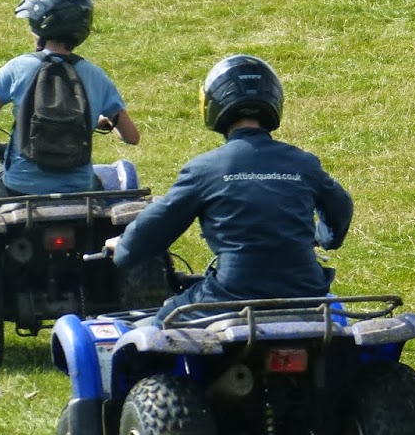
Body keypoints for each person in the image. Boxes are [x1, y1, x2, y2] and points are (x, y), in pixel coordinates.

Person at [111, 54, 353, 321]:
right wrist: (324, 236)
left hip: (230, 296)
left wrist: (123, 247)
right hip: (307, 294)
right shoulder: (303, 163)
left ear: (211, 104)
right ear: (274, 101)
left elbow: (156, 226)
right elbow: (341, 207)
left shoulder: (204, 169)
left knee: (162, 320)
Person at [0, 0, 140, 197]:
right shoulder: (96, 75)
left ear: (40, 25)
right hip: (80, 190)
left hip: (20, 188)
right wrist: (102, 121)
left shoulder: (18, 68)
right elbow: (131, 137)